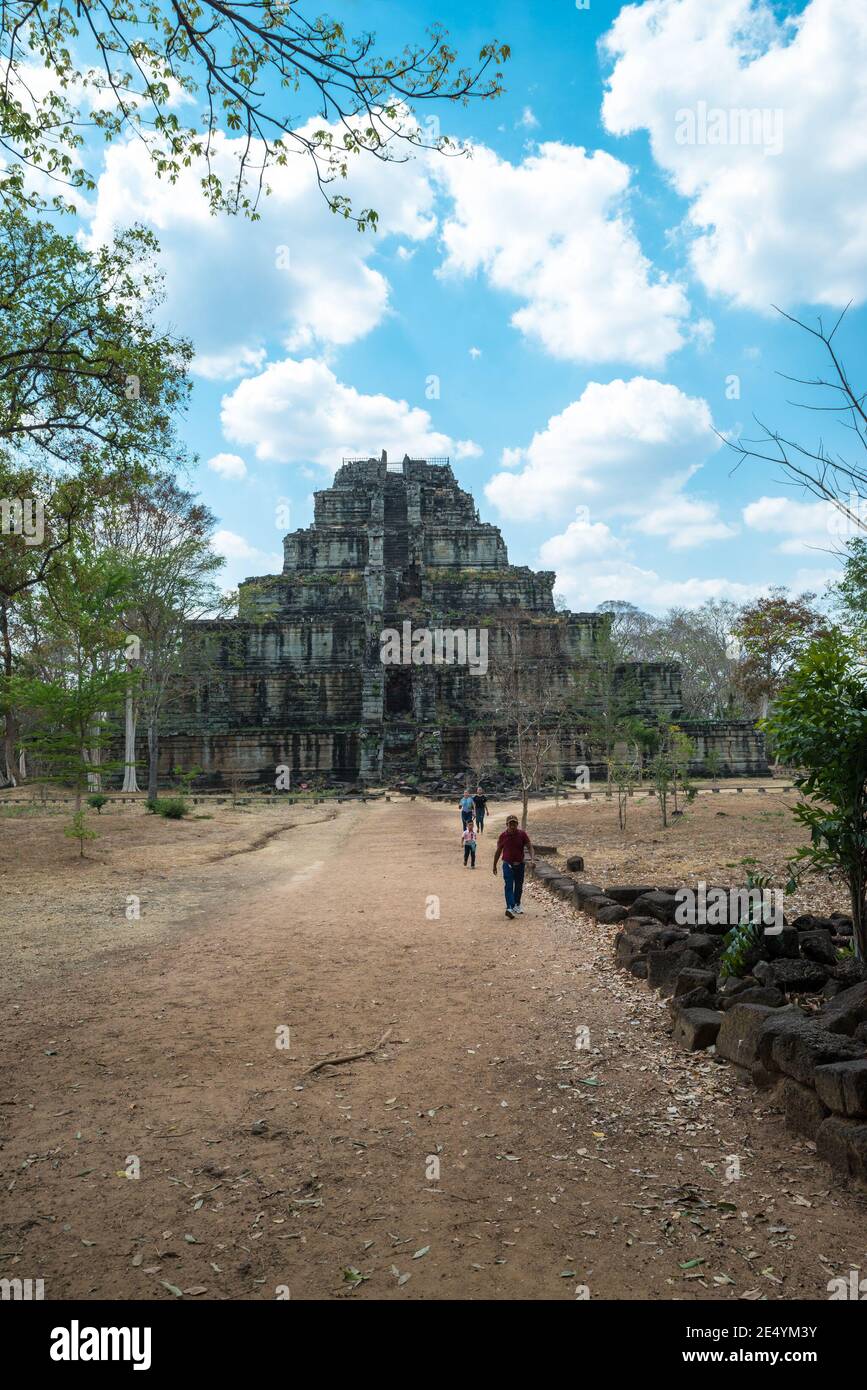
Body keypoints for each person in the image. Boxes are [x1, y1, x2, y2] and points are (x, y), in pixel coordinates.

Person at [492, 814, 534, 919]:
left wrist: (532, 859)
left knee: (519, 886)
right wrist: (494, 865)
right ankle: (509, 907)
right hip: (507, 864)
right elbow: (498, 851)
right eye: (510, 824)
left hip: (519, 864)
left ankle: (517, 904)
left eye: (514, 823)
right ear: (507, 824)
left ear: (517, 824)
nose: (512, 826)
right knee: (509, 885)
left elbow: (530, 847)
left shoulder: (522, 834)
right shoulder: (503, 836)